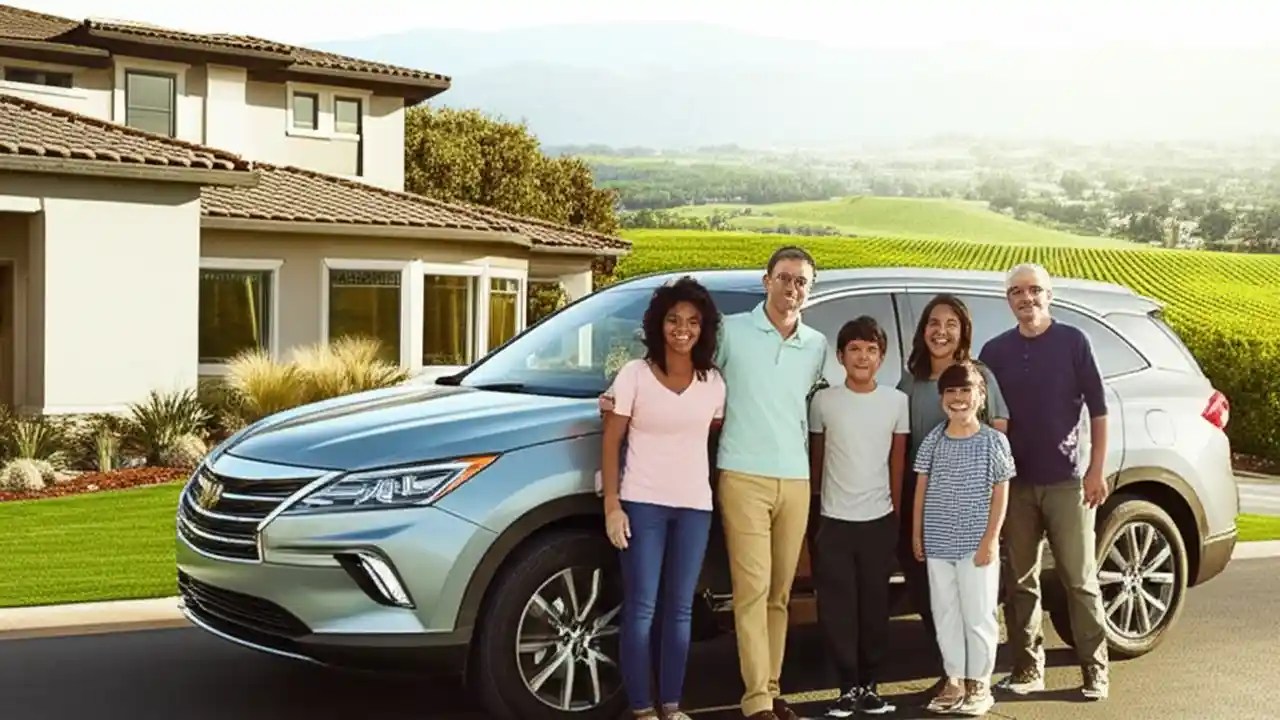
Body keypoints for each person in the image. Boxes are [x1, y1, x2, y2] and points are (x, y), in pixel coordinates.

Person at [602, 245, 829, 720]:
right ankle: (756, 702)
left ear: (811, 289)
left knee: (779, 596)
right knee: (750, 590)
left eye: (801, 281)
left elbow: (811, 404)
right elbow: (685, 368)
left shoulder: (817, 346)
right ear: (766, 280)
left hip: (794, 477)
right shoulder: (731, 331)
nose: (792, 288)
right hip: (741, 474)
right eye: (784, 278)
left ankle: (769, 686)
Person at [977, 263, 1111, 701]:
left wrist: (1095, 469)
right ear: (1008, 300)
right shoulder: (994, 351)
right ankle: (1027, 668)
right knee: (1021, 581)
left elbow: (1098, 408)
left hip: (1068, 482)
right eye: (1017, 291)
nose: (1026, 298)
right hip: (1014, 484)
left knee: (1079, 579)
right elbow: (986, 416)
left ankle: (1095, 670)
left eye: (1034, 290)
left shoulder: (1073, 341)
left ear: (1048, 295)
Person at [601, 276, 727, 720]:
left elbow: (707, 435)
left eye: (693, 321)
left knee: (679, 611)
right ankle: (641, 709)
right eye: (674, 319)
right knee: (641, 609)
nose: (682, 329)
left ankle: (671, 707)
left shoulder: (713, 382)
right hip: (642, 504)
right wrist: (612, 505)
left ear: (704, 328)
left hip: (695, 507)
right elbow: (612, 439)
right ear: (659, 324)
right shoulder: (634, 375)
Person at [896, 294, 1009, 689]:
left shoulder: (978, 376)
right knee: (931, 588)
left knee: (971, 593)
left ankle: (972, 678)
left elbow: (998, 430)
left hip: (971, 492)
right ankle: (950, 671)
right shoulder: (911, 379)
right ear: (922, 330)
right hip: (924, 492)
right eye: (933, 323)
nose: (940, 332)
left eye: (950, 324)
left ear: (963, 332)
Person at [808, 315, 909, 717]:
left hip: (878, 519)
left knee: (873, 606)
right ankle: (846, 685)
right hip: (833, 521)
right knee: (838, 607)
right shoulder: (824, 402)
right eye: (854, 349)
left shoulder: (895, 402)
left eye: (871, 350)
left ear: (881, 357)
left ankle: (870, 684)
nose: (862, 357)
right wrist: (814, 516)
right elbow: (817, 462)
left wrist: (896, 519)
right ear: (840, 356)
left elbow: (897, 464)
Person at [911, 360, 1015, 717]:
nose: (958, 399)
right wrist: (917, 534)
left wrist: (990, 539)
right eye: (951, 391)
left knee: (978, 613)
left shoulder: (993, 442)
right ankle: (954, 678)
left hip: (976, 545)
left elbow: (1001, 493)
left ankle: (980, 684)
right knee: (946, 612)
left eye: (966, 391)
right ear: (942, 398)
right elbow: (921, 490)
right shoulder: (933, 440)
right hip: (939, 543)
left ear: (981, 397)